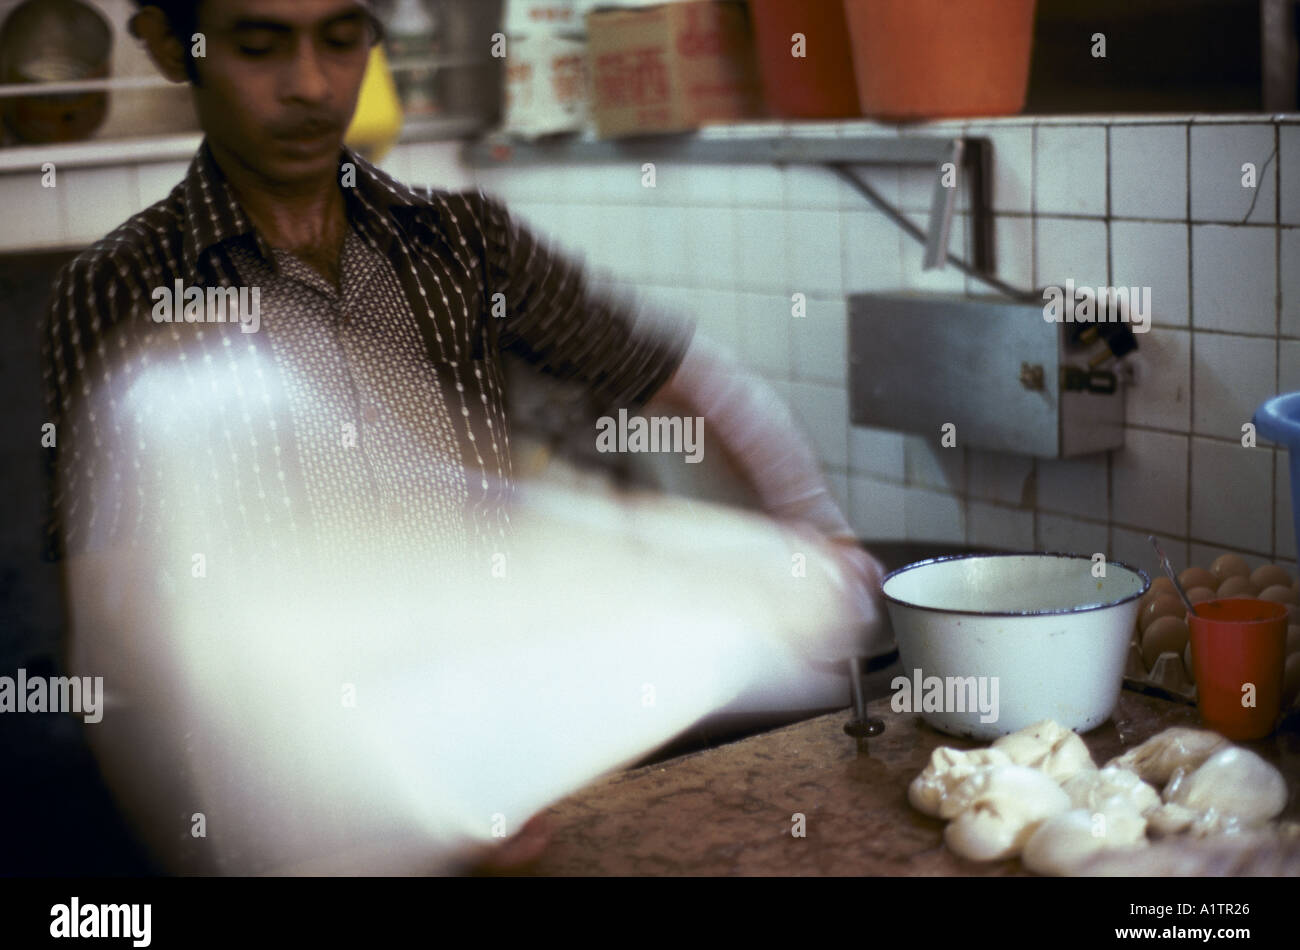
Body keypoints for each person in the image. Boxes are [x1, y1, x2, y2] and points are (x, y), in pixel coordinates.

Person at [39, 0, 885, 873]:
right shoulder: (121, 288)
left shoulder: (462, 242)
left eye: (340, 39)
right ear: (175, 50)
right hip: (296, 806)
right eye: (259, 46)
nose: (311, 84)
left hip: (496, 763)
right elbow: (119, 620)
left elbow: (673, 374)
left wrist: (810, 525)